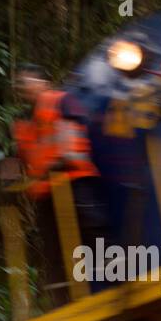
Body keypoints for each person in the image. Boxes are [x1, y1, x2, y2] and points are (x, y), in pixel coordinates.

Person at [11, 64, 106, 299]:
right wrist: (10, 183)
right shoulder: (21, 123)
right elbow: (15, 157)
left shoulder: (62, 101)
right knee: (54, 247)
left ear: (44, 82)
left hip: (71, 180)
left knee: (90, 231)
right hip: (45, 193)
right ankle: (63, 298)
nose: (24, 87)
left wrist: (60, 160)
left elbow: (70, 137)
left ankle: (109, 281)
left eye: (28, 81)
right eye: (21, 84)